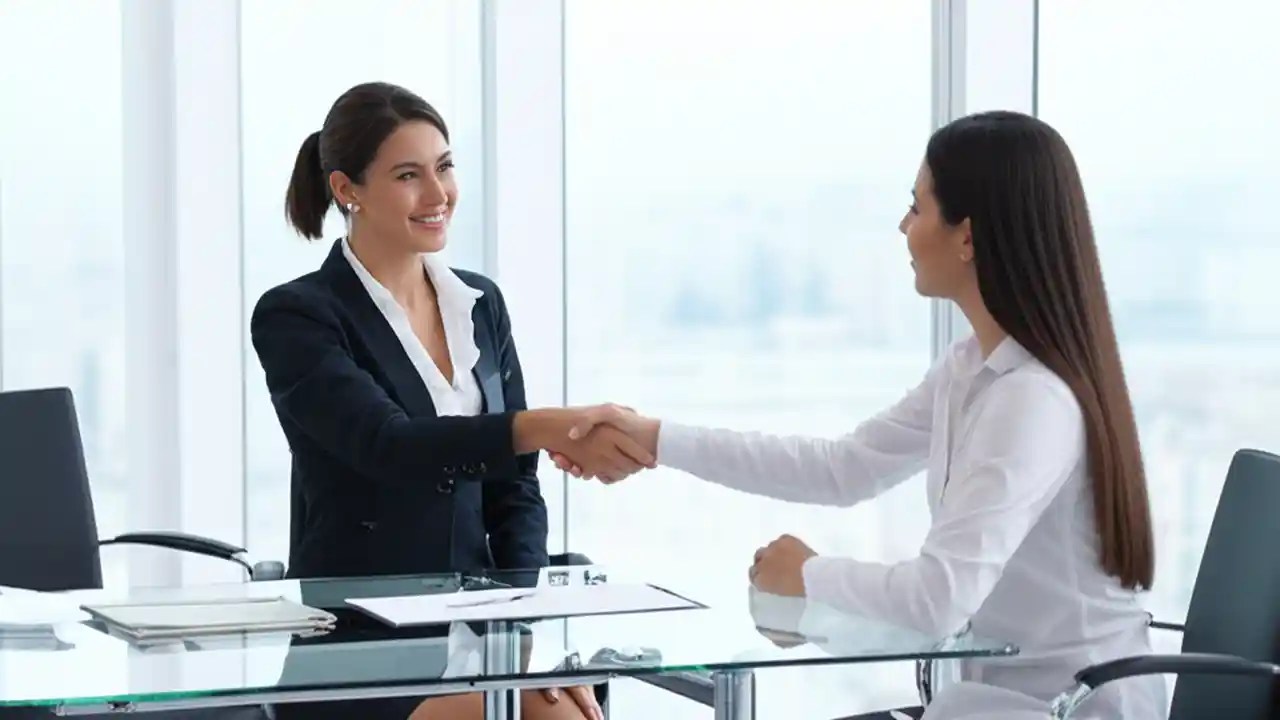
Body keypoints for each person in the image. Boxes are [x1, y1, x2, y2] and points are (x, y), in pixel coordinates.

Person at [554, 111, 1167, 719]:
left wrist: (811, 575)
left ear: (968, 237)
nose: (903, 227)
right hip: (991, 700)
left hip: (1065, 709)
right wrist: (657, 439)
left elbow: (940, 597)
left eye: (917, 207)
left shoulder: (1032, 400)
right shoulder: (969, 370)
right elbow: (841, 468)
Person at [251, 81, 647, 720]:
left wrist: (523, 637)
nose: (438, 196)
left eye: (444, 168)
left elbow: (514, 494)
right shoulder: (297, 316)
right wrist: (542, 425)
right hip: (360, 648)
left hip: (481, 634)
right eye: (409, 175)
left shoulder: (479, 305)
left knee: (561, 707)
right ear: (347, 189)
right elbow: (390, 445)